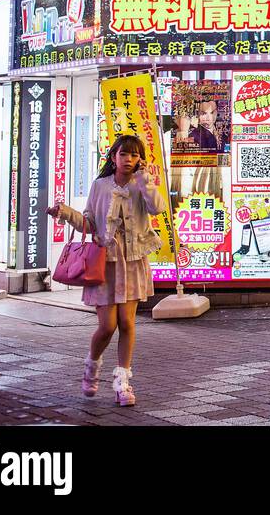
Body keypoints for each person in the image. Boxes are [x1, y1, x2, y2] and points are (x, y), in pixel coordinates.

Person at [46, 135, 167, 407]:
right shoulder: (100, 186)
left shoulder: (141, 184)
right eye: (124, 154)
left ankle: (123, 382)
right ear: (113, 157)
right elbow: (88, 221)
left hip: (133, 260)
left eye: (135, 156)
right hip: (105, 261)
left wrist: (145, 181)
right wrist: (63, 213)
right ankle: (91, 366)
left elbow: (157, 208)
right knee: (107, 325)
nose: (129, 160)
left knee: (127, 323)